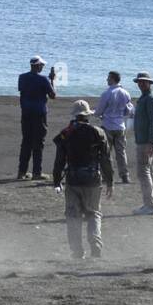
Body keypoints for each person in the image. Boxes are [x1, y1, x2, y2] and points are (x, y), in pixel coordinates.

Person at [53, 100, 114, 259]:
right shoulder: (99, 132)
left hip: (73, 179)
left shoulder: (66, 133)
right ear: (88, 115)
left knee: (73, 216)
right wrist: (110, 181)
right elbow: (106, 160)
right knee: (94, 213)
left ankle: (77, 250)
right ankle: (95, 243)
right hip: (93, 179)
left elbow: (59, 160)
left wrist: (56, 181)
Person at [16, 55, 58, 181]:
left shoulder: (22, 78)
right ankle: (36, 172)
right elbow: (53, 95)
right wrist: (52, 80)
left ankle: (22, 171)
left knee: (26, 142)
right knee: (38, 143)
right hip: (39, 114)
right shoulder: (43, 79)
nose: (42, 67)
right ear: (38, 66)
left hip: (26, 112)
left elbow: (23, 90)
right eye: (42, 65)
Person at [132, 71, 153, 215]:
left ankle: (150, 206)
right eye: (139, 81)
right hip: (146, 139)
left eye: (144, 81)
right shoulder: (146, 97)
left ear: (149, 83)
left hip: (147, 140)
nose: (141, 84)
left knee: (144, 171)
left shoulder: (151, 98)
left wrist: (151, 142)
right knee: (150, 171)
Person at [93, 71, 135, 186]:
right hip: (120, 125)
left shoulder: (107, 93)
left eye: (108, 78)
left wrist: (95, 113)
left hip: (108, 125)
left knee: (106, 153)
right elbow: (128, 111)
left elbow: (99, 111)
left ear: (112, 79)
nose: (106, 80)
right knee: (121, 152)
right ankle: (124, 175)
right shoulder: (126, 93)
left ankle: (107, 175)